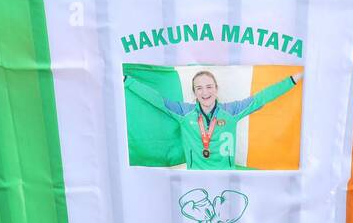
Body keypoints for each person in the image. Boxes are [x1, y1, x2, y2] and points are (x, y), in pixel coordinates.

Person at [125, 69, 301, 170]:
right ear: (194, 92)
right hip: (196, 181)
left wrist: (292, 80)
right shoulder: (183, 112)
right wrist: (128, 81)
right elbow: (156, 100)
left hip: (226, 178)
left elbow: (261, 98)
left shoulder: (231, 111)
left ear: (216, 89)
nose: (205, 92)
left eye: (209, 87)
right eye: (199, 88)